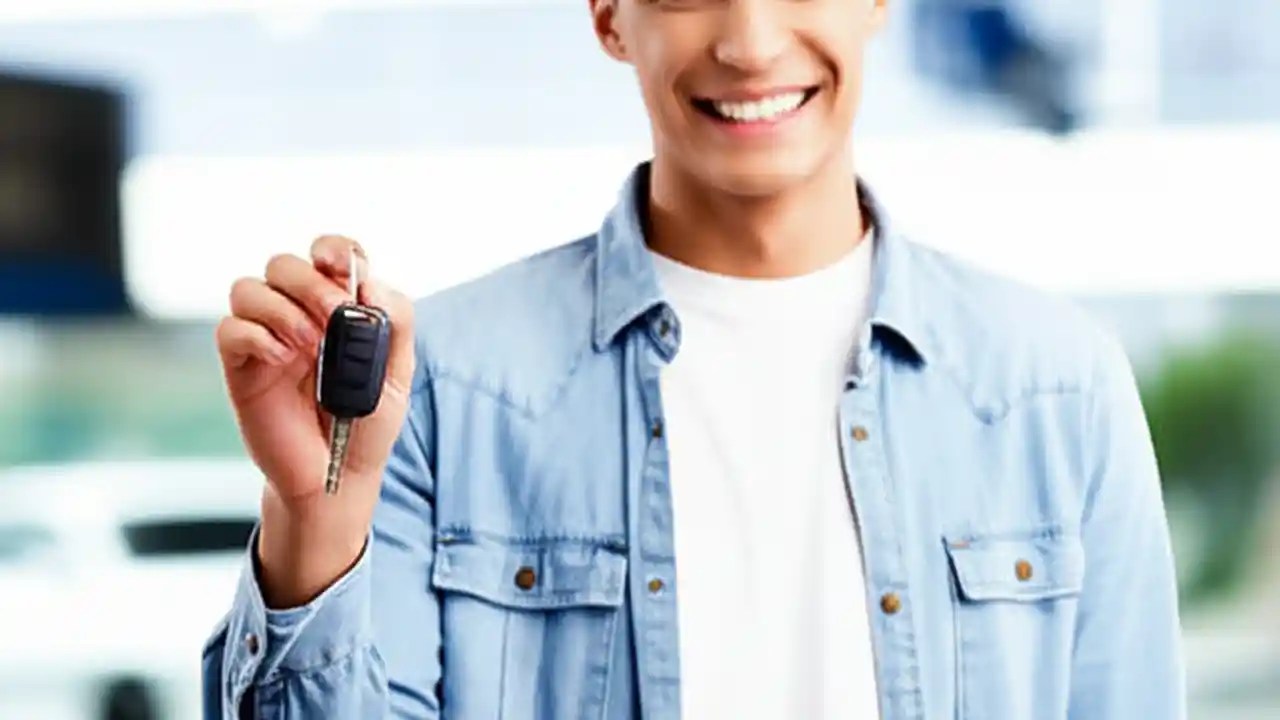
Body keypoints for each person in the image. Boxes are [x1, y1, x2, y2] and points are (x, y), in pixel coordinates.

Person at [202, 1, 1185, 718]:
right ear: (607, 15)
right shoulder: (437, 390)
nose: (749, 43)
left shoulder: (1056, 390)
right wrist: (313, 523)